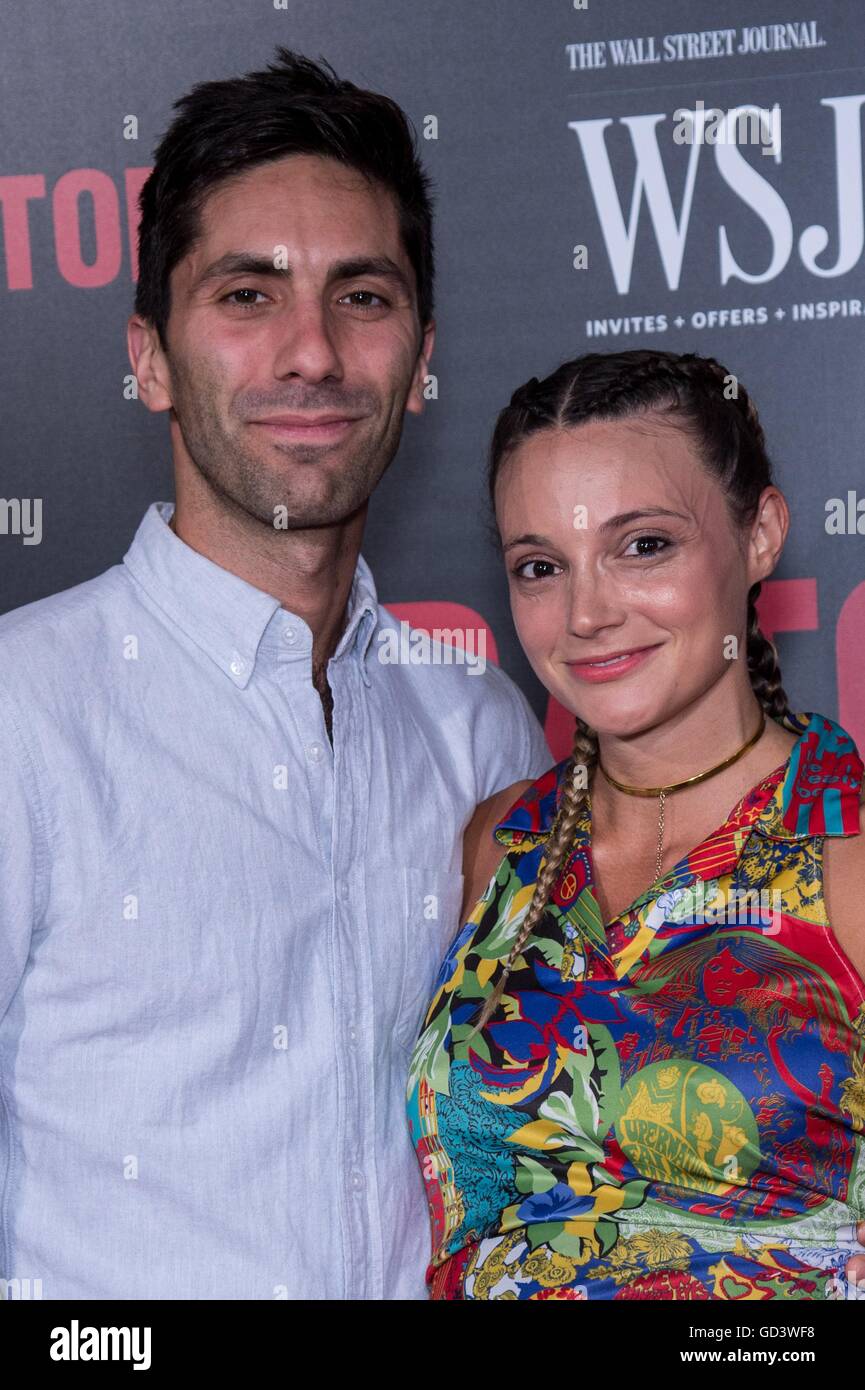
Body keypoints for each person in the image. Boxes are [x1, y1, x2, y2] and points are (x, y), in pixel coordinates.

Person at [0, 49, 551, 1300]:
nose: (311, 352)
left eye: (362, 296)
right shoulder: (21, 717)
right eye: (247, 295)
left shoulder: (481, 733)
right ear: (148, 358)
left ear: (419, 360)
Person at [406, 348, 865, 1300]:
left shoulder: (844, 845)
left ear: (761, 534)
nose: (585, 613)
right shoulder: (497, 845)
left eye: (642, 545)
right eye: (540, 567)